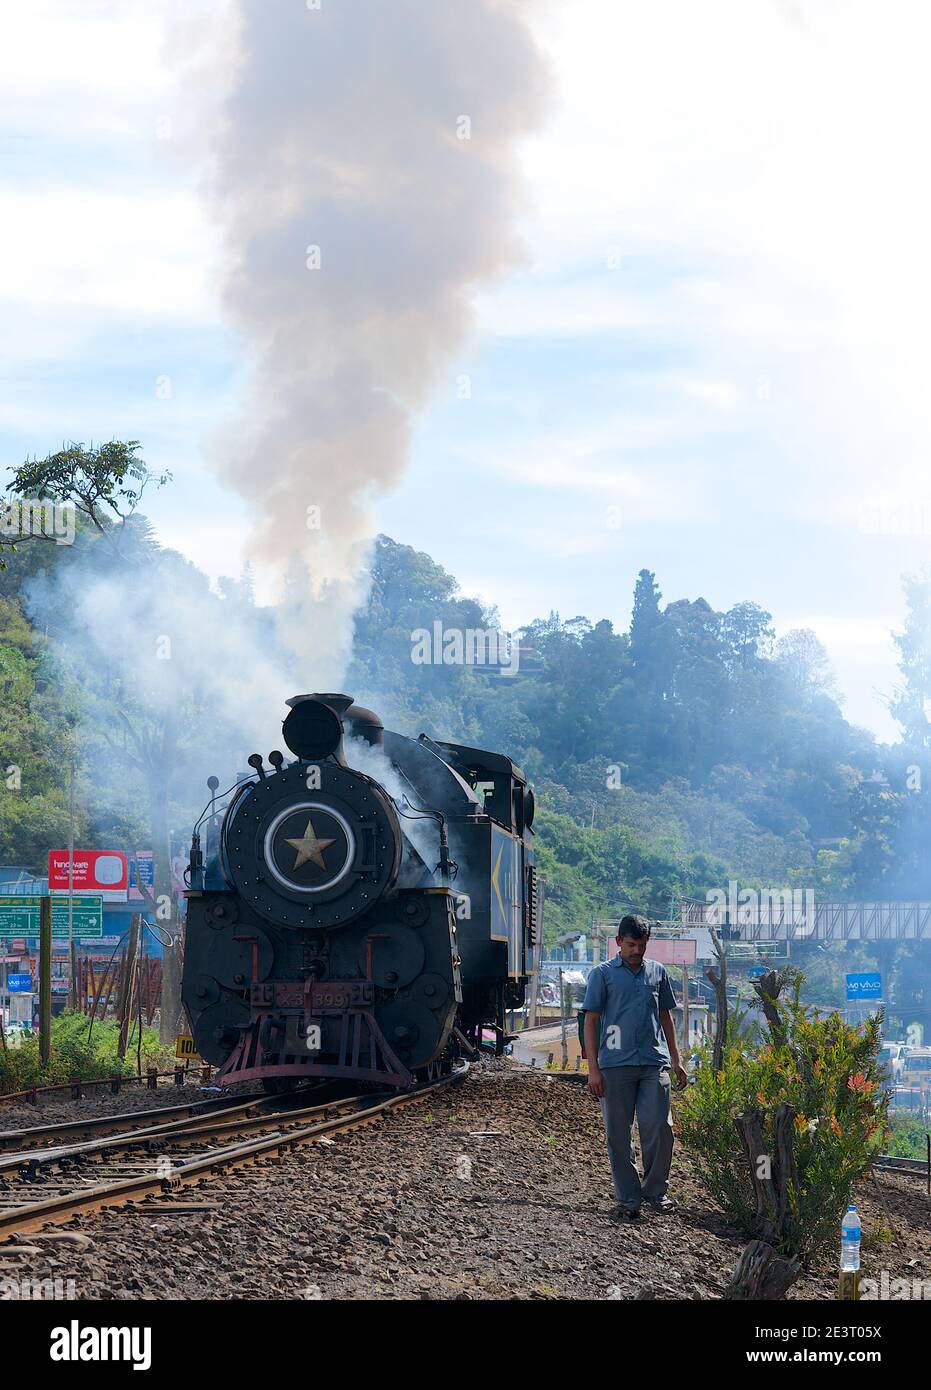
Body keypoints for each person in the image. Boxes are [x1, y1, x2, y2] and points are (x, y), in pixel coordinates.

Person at [583, 914, 688, 1219]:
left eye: (642, 945)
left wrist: (677, 1059)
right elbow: (591, 1021)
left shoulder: (658, 972)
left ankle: (655, 1191)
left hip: (653, 1063)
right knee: (618, 1133)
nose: (637, 951)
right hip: (614, 1066)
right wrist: (593, 1069)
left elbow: (666, 1016)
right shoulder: (601, 975)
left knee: (659, 1127)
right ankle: (629, 1198)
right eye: (631, 944)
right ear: (618, 942)